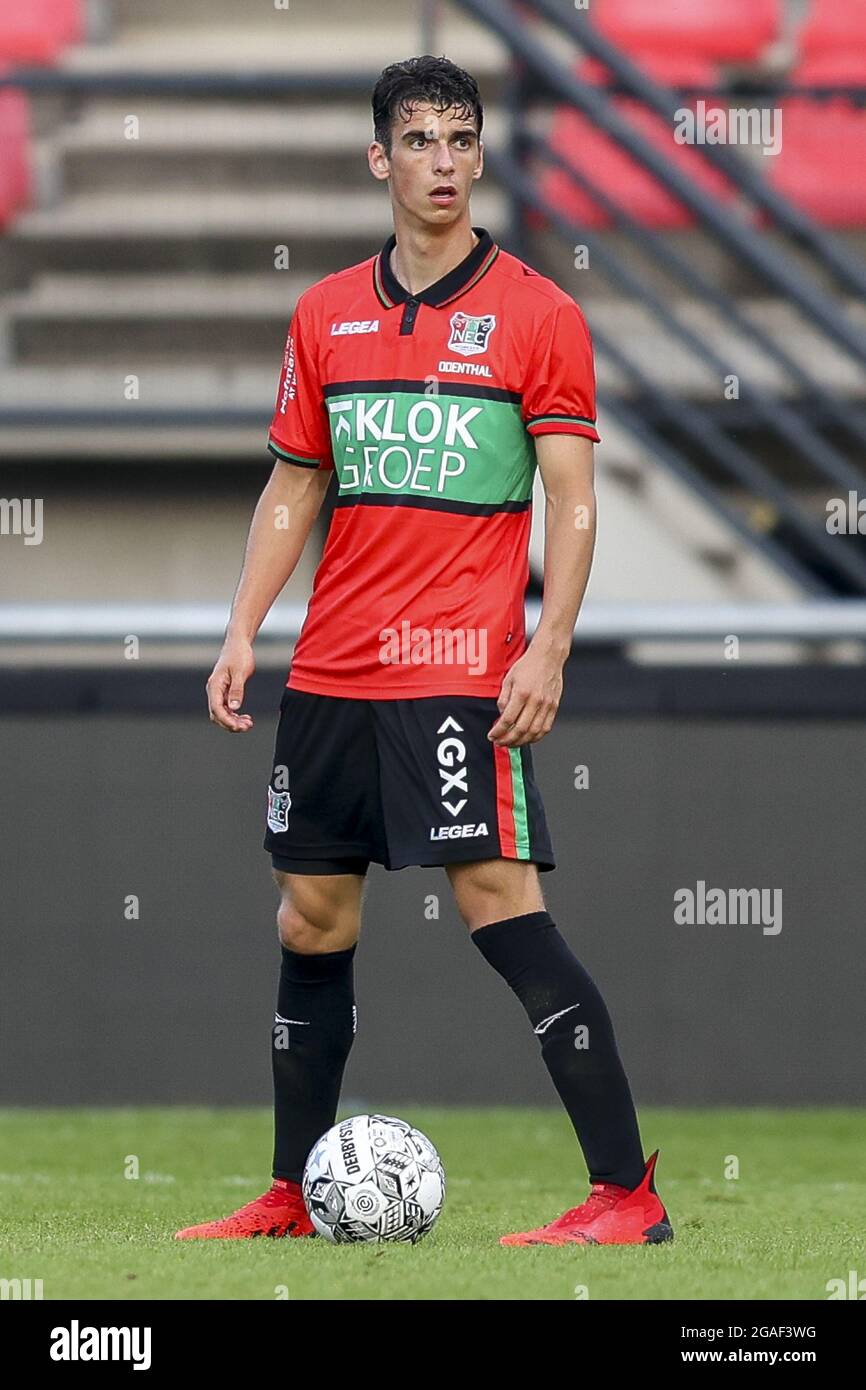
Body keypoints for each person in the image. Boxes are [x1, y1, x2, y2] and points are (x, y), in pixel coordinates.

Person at [176, 55, 672, 1247]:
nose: (443, 162)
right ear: (378, 159)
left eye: (461, 140)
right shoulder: (326, 312)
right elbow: (293, 488)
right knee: (308, 917)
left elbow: (574, 501)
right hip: (333, 672)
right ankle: (293, 1193)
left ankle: (624, 1193)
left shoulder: (539, 316)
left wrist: (546, 646)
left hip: (455, 666)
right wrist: (245, 626)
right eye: (420, 141)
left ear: (479, 155)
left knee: (500, 904)